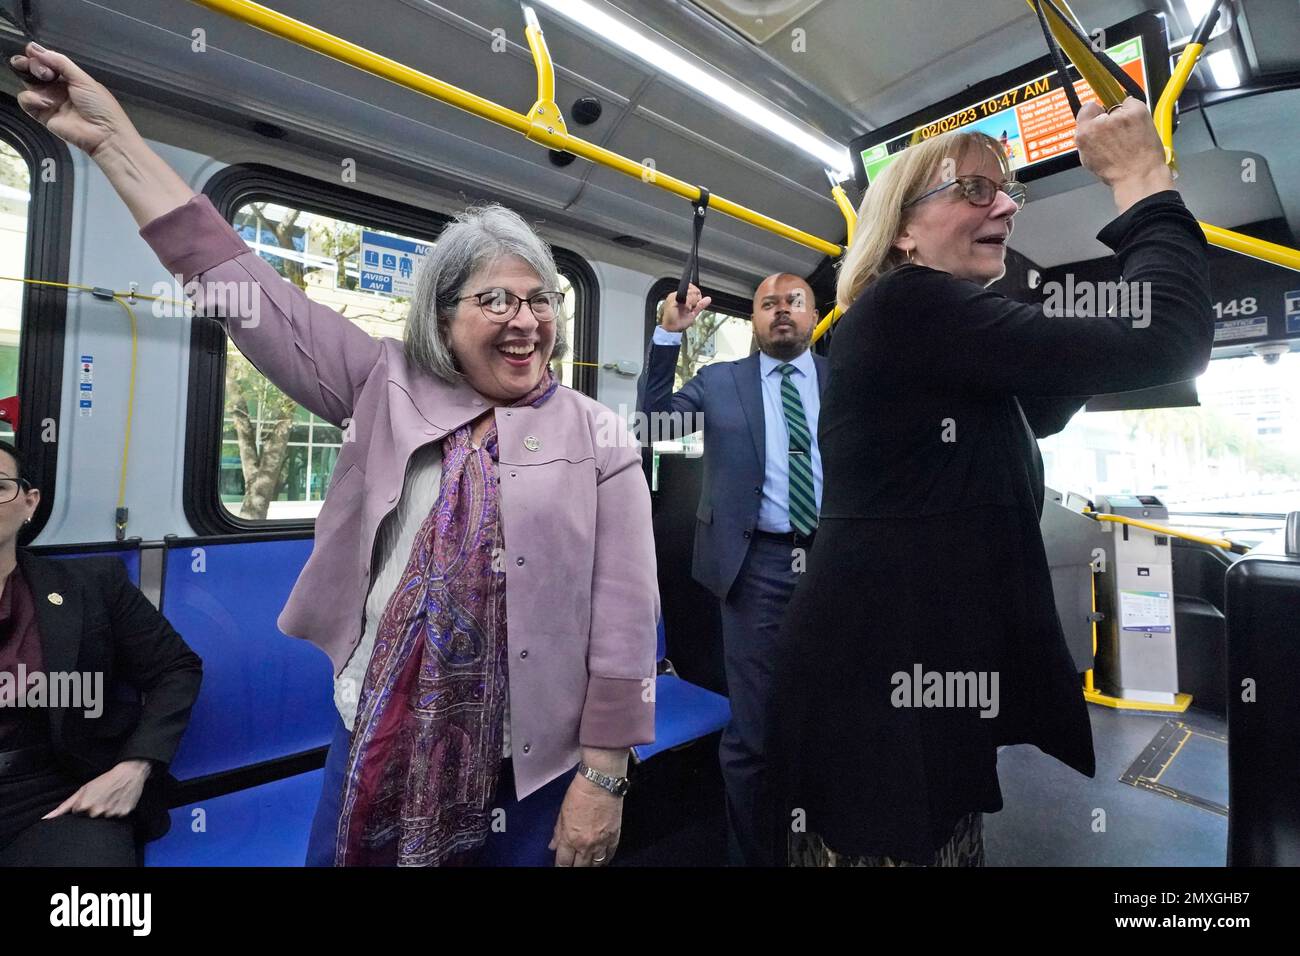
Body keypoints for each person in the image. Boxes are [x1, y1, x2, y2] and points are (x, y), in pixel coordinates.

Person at [12, 41, 659, 867]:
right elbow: (239, 285)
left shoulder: (597, 437)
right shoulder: (383, 385)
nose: (525, 320)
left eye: (539, 300)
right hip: (377, 731)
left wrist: (604, 779)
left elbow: (626, 625)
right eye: (495, 298)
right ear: (443, 315)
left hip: (528, 766)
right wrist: (113, 143)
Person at [771, 98, 1213, 867]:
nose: (1005, 202)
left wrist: (1077, 336)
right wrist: (1144, 184)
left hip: (908, 658)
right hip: (881, 675)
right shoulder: (911, 304)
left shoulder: (931, 328)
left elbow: (1036, 410)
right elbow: (1170, 339)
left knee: (940, 834)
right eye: (973, 189)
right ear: (903, 228)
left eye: (1005, 189)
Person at [637, 272, 826, 866]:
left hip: (834, 561)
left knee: (829, 712)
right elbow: (652, 423)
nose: (781, 311)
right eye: (768, 303)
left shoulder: (845, 381)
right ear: (754, 319)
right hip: (757, 564)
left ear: (815, 315)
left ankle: (822, 842)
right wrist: (669, 336)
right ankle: (753, 856)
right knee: (754, 727)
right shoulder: (720, 382)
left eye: (794, 301)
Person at [0, 441, 202, 866]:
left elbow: (176, 669)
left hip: (54, 793)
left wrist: (134, 768)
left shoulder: (90, 584)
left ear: (29, 503)